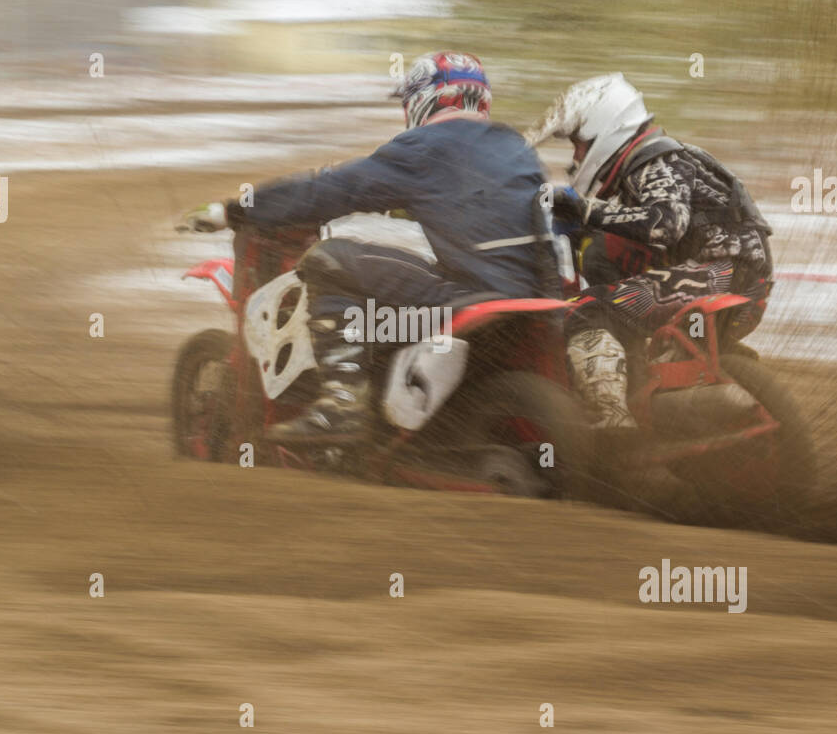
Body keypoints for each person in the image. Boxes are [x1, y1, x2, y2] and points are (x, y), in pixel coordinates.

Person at [183, 52, 559, 445]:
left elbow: (328, 189)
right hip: (528, 297)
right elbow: (475, 204)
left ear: (424, 100)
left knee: (332, 260)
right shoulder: (515, 147)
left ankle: (341, 404)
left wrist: (235, 210)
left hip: (468, 296)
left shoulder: (422, 147)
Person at [529, 73, 773, 429]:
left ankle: (610, 420)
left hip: (720, 274)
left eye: (579, 144)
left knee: (586, 310)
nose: (577, 155)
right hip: (743, 277)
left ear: (604, 128)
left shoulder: (653, 159)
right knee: (610, 277)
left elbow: (666, 223)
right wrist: (588, 226)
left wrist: (585, 210)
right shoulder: (664, 159)